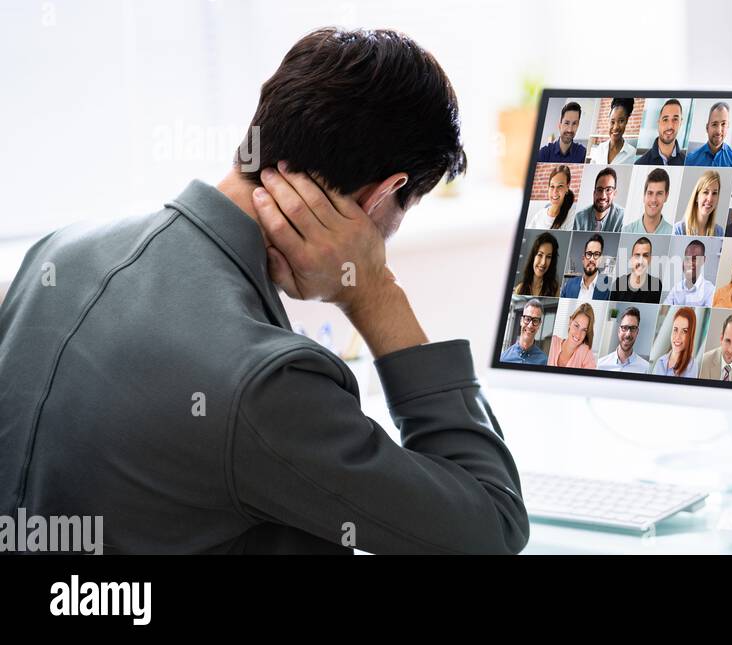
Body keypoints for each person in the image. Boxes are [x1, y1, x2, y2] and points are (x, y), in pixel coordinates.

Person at [0, 28, 527, 554]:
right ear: (383, 193)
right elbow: (492, 528)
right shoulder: (262, 383)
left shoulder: (57, 252)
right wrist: (374, 293)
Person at [570, 166, 625, 232]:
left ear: (614, 194)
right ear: (594, 193)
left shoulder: (623, 218)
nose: (603, 196)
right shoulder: (579, 218)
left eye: (608, 190)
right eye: (599, 190)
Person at [597, 307, 652, 373]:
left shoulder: (646, 369)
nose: (628, 334)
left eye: (633, 328)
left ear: (637, 332)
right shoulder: (600, 365)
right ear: (619, 331)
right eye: (625, 328)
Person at [684, 101, 732, 167]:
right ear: (707, 128)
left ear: (728, 126)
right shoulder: (690, 160)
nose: (718, 131)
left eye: (723, 124)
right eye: (714, 124)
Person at [610, 237, 663, 303]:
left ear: (650, 259)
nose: (640, 261)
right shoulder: (618, 284)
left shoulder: (656, 285)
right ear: (631, 258)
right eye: (637, 255)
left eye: (645, 255)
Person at [621, 168, 674, 234]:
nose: (653, 199)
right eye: (650, 193)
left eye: (659, 193)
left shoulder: (672, 233)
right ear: (644, 195)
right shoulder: (625, 232)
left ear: (666, 196)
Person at [664, 239, 717, 306]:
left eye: (694, 259)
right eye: (687, 258)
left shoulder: (710, 291)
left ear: (703, 260)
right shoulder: (676, 288)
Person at [587, 97, 639, 165]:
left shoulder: (632, 154)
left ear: (626, 121)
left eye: (621, 121)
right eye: (612, 122)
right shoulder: (600, 149)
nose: (615, 127)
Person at [560, 233, 611, 300]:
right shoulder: (569, 285)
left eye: (596, 254)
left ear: (600, 260)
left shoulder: (610, 288)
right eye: (589, 254)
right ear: (583, 258)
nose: (591, 259)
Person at [635, 99, 686, 165]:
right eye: (665, 119)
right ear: (658, 122)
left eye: (675, 119)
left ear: (680, 123)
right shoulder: (640, 163)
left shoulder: (687, 162)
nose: (670, 126)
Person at [547, 302, 598, 369]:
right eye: (576, 326)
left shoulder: (586, 353)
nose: (578, 334)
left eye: (584, 330)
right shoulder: (553, 342)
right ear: (570, 322)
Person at [651, 308, 699, 377]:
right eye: (675, 329)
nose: (677, 337)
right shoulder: (660, 361)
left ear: (690, 335)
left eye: (684, 331)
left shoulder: (692, 365)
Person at [674, 170, 724, 236]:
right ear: (697, 196)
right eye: (705, 192)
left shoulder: (719, 232)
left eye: (714, 193)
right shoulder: (678, 230)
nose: (710, 199)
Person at [499, 299, 548, 365]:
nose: (530, 325)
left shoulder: (545, 362)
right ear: (521, 321)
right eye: (527, 319)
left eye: (535, 320)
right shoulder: (503, 358)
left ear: (539, 324)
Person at [526, 164, 575, 230]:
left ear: (567, 187)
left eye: (560, 186)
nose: (555, 191)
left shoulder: (572, 216)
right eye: (552, 186)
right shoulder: (540, 214)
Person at [513, 231, 561, 297]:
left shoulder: (555, 289)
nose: (543, 262)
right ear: (533, 257)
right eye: (540, 255)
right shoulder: (519, 289)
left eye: (548, 257)